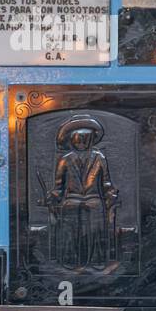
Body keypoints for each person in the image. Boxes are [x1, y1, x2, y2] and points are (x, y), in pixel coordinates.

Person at [45, 115, 118, 270]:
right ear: (72, 139)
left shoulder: (99, 157)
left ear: (91, 140)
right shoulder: (65, 160)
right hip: (72, 199)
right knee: (70, 222)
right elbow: (59, 186)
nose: (82, 142)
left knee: (96, 222)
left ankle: (97, 260)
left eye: (86, 139)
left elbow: (105, 182)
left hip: (93, 198)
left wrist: (111, 194)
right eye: (79, 139)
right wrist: (53, 196)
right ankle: (71, 260)